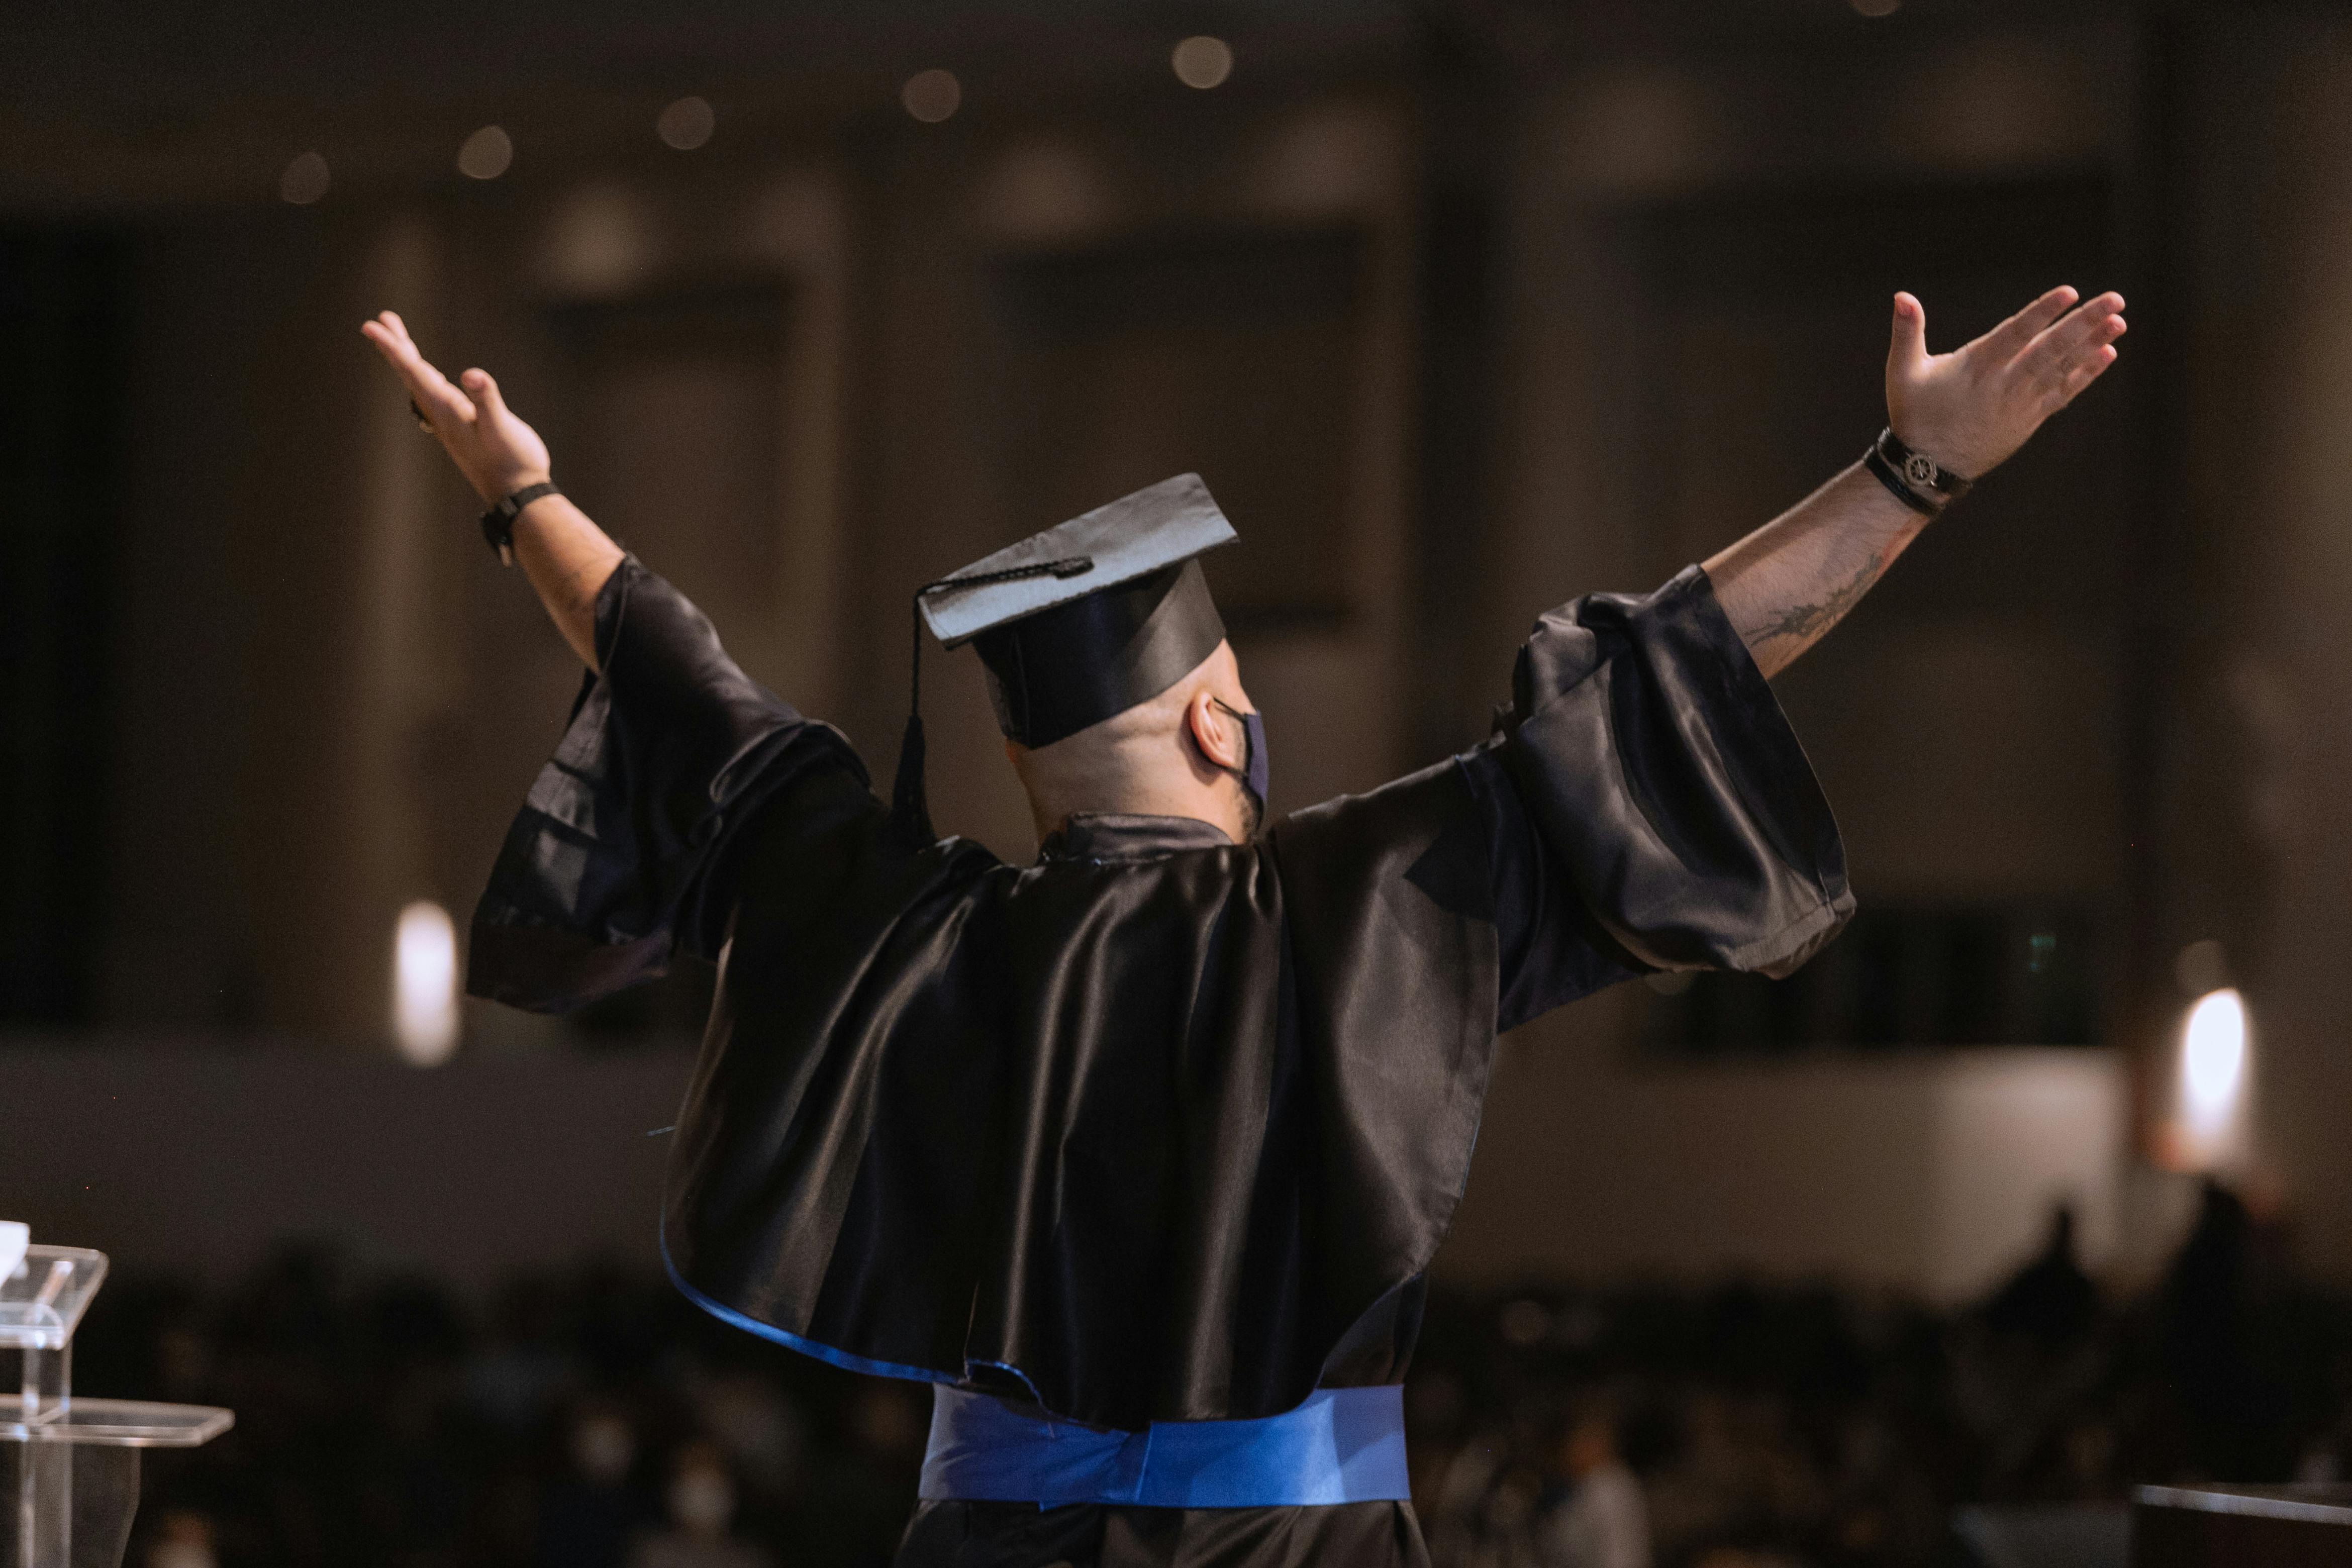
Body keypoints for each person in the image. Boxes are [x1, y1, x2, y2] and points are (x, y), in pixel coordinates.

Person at [360, 280, 2124, 1568]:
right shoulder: (1359, 907)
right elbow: (1671, 679)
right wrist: (1912, 473)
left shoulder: (909, 934)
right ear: (1221, 723)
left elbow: (692, 701)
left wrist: (519, 495)